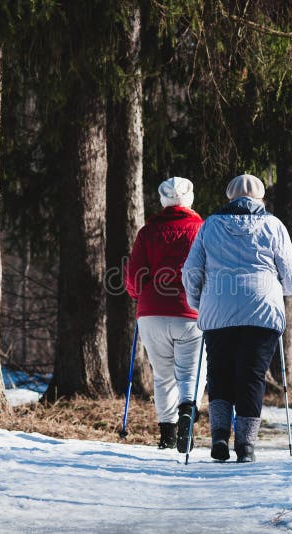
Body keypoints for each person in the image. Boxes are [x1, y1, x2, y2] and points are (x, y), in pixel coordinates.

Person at [182, 174, 292, 462]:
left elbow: (191, 271)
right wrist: (285, 290)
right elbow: (291, 274)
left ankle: (219, 437)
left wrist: (197, 302)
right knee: (252, 376)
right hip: (262, 311)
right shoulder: (273, 225)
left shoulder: (210, 225)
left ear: (230, 196)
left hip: (218, 310)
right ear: (260, 197)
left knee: (219, 373)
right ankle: (246, 445)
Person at [125, 177, 206, 452]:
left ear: (163, 201)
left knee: (162, 375)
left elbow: (134, 277)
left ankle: (167, 435)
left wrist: (139, 295)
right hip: (191, 311)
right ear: (189, 199)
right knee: (191, 373)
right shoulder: (202, 230)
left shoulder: (148, 232)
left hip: (152, 313)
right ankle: (187, 413)